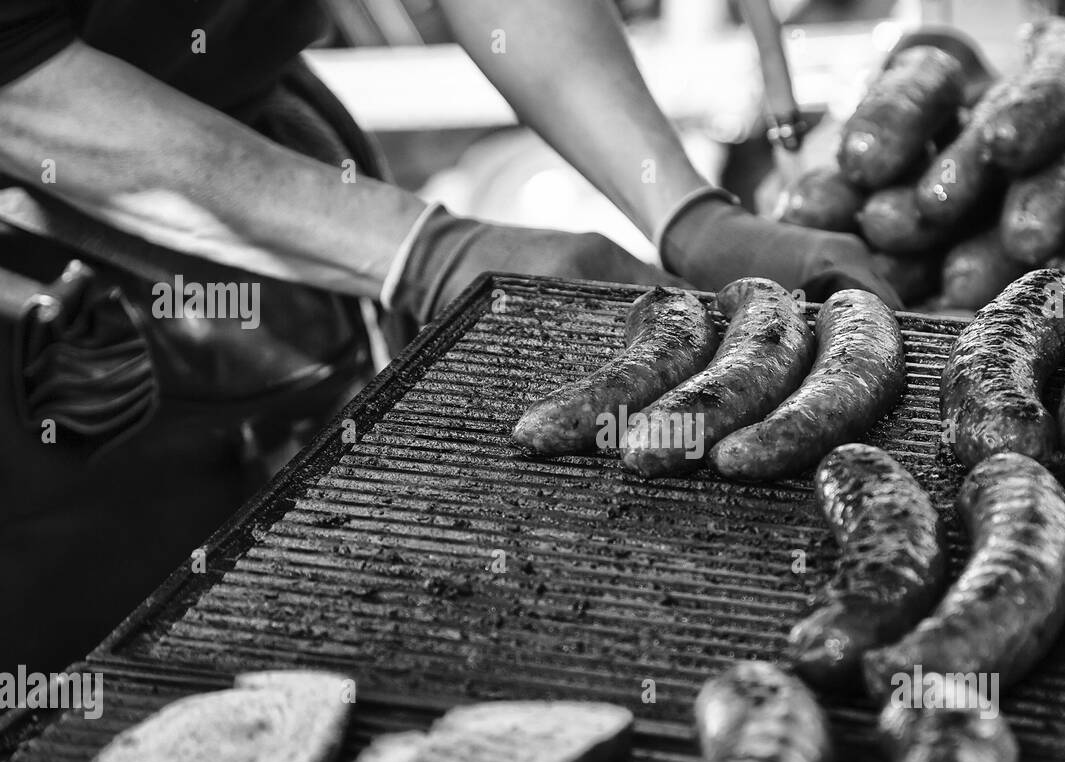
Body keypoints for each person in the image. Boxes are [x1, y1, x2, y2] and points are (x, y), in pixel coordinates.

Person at [0, 0, 896, 673]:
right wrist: (423, 250)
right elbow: (21, 78)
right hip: (45, 277)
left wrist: (681, 208)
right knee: (95, 677)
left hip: (278, 182)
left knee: (318, 627)